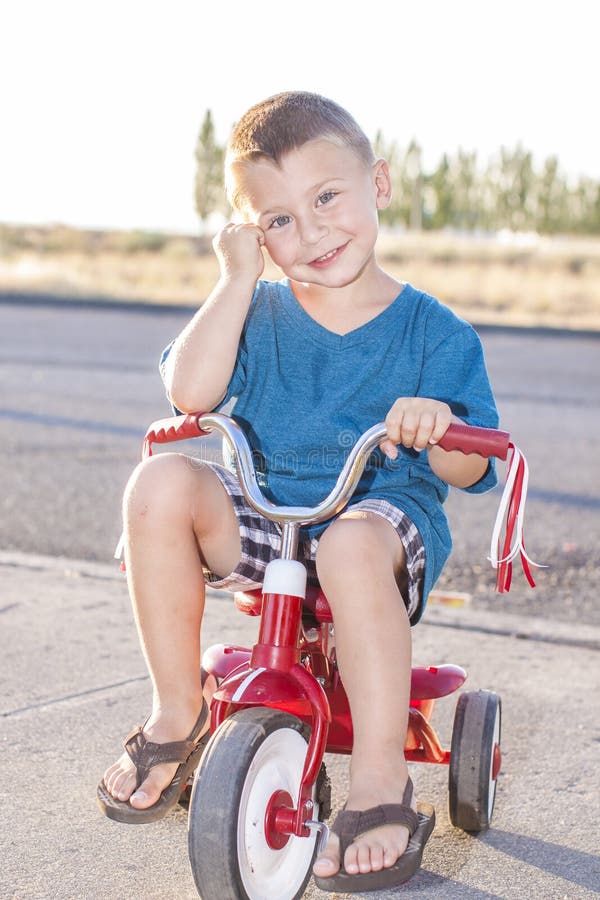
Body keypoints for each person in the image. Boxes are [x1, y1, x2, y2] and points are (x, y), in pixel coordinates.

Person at [97, 91, 499, 892]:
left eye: (326, 199)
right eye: (277, 221)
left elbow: (473, 467)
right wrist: (237, 279)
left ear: (377, 185)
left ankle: (382, 778)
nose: (310, 232)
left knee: (352, 543)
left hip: (379, 522)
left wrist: (436, 424)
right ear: (249, 231)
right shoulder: (259, 312)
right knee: (159, 483)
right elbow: (191, 393)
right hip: (269, 515)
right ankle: (180, 713)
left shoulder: (434, 331)